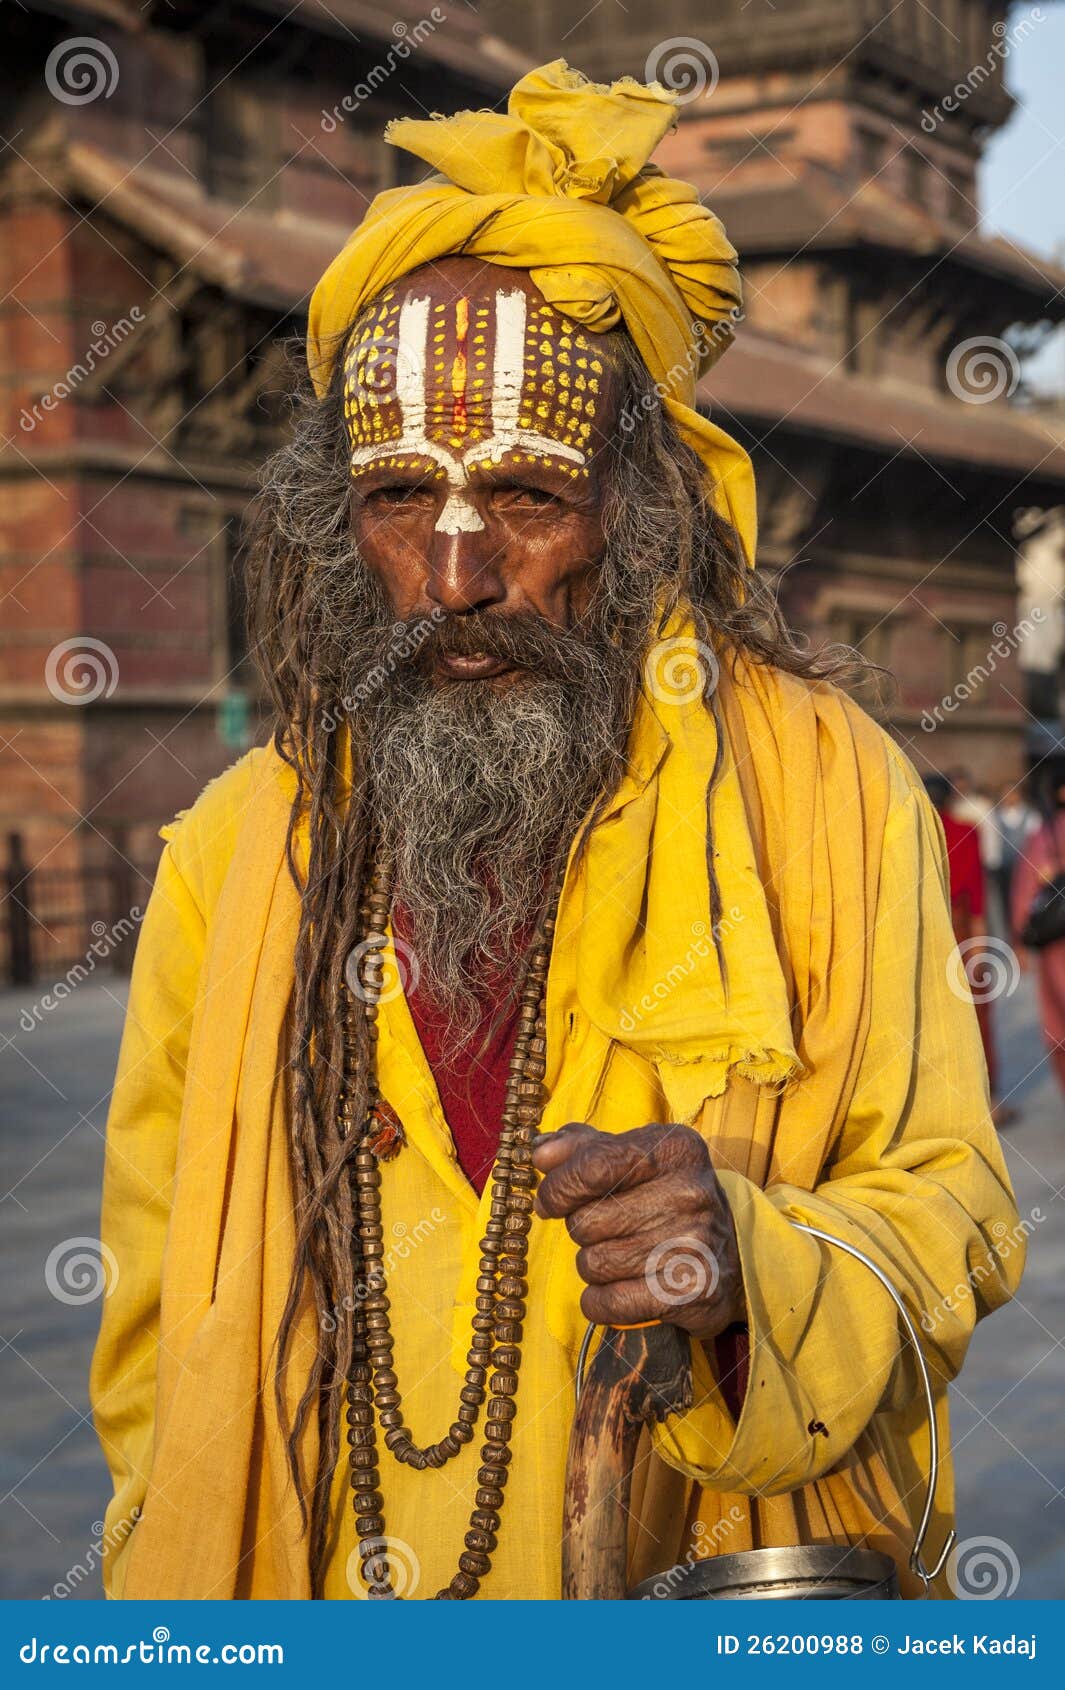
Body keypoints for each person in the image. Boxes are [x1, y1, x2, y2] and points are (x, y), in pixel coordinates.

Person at [89, 62, 1021, 1602]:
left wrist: (751, 1274)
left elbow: (951, 1210)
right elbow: (144, 1340)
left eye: (524, 496)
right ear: (343, 528)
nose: (455, 575)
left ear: (638, 506)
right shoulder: (240, 853)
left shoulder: (826, 787)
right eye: (400, 501)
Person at [1011, 760, 1065, 1098]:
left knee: (1058, 1022)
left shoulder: (1044, 833)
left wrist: (1019, 939)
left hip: (1054, 944)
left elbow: (1025, 890)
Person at [990, 781, 1039, 932]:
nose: (1009, 797)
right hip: (1003, 869)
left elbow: (1036, 844)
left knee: (1026, 902)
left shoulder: (1031, 815)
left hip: (1025, 869)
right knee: (1005, 903)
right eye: (1005, 793)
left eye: (1012, 793)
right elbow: (991, 843)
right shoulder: (995, 816)